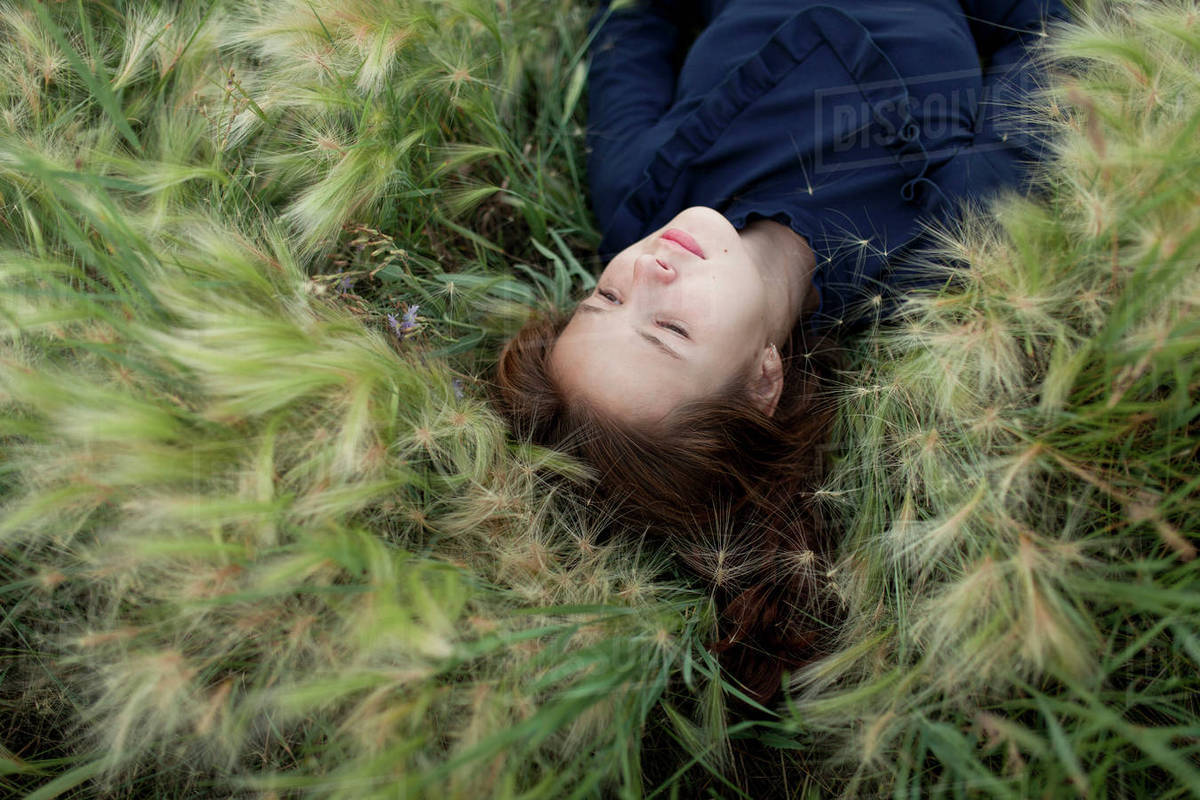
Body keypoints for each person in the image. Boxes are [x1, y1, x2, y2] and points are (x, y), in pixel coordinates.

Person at [490, 0, 1070, 703]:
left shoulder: (637, 197)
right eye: (670, 331)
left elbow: (635, 25)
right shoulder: (940, 236)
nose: (645, 273)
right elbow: (1040, 44)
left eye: (603, 300)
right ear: (763, 381)